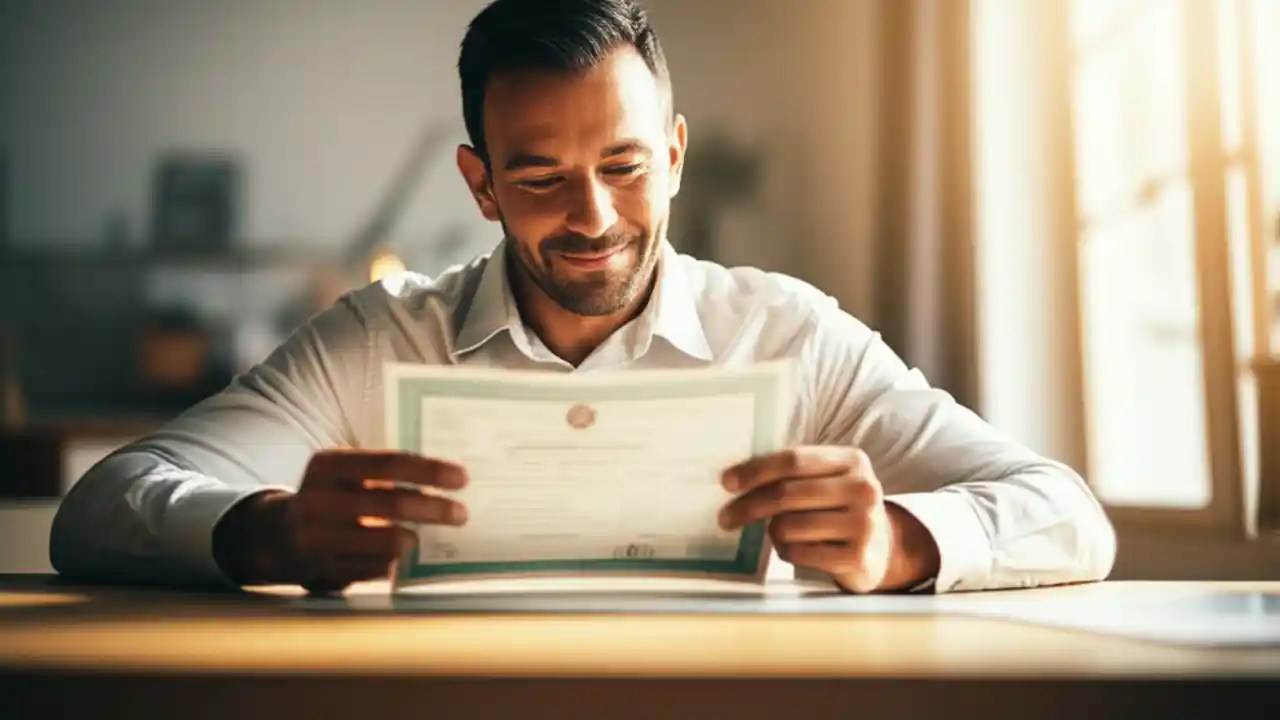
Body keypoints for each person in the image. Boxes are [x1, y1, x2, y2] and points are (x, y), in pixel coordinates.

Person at [50, 0, 1115, 595]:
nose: (595, 216)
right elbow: (104, 502)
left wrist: (899, 542)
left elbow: (1067, 516)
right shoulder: (377, 341)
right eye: (541, 177)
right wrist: (261, 534)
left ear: (676, 156)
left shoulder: (793, 333)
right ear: (479, 185)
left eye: (625, 165)